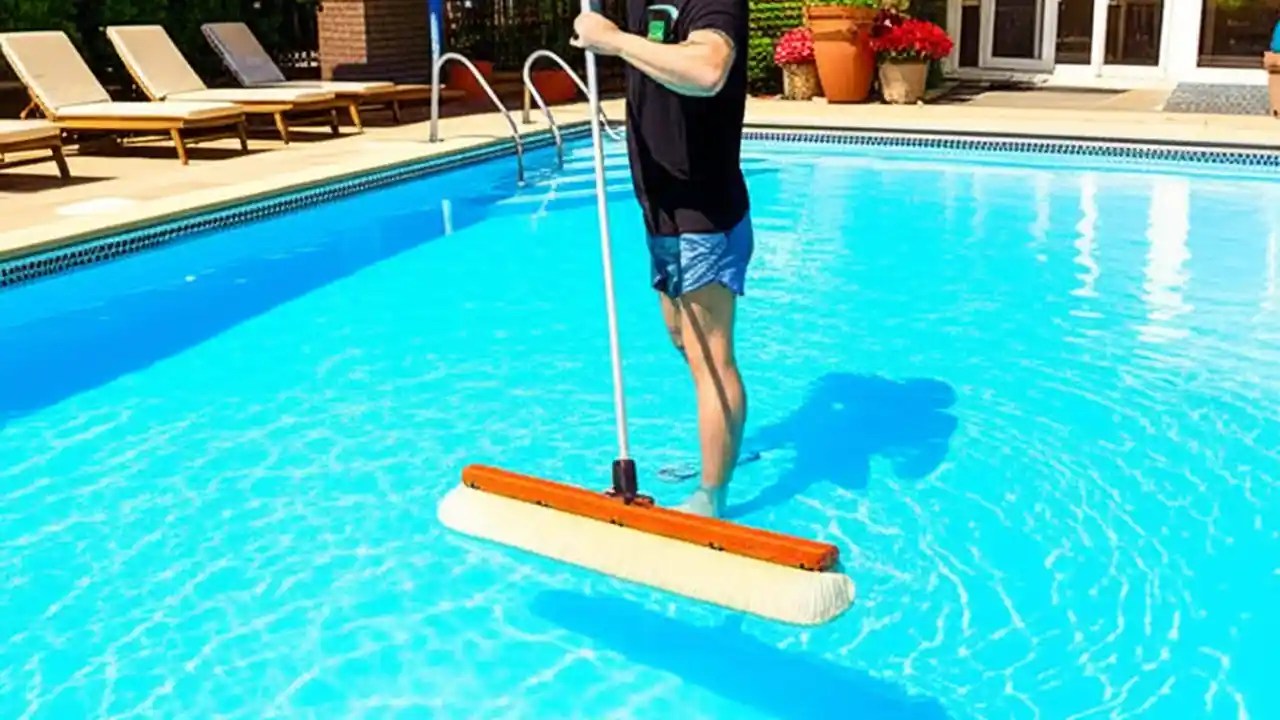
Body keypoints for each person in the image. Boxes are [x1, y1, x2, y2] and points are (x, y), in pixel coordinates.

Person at [572, 0, 751, 518]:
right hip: (660, 205)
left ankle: (712, 495)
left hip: (704, 208)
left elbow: (708, 69)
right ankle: (726, 434)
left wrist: (614, 41)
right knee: (681, 337)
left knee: (710, 355)